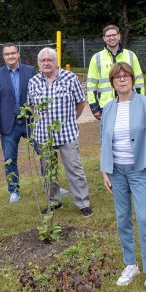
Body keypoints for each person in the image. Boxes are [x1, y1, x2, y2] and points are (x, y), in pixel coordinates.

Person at [99, 62, 146, 292]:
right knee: (122, 218)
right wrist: (104, 170)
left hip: (140, 170)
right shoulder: (108, 108)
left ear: (132, 79)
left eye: (126, 75)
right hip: (116, 171)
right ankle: (131, 264)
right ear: (112, 82)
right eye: (117, 77)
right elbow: (103, 141)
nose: (122, 80)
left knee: (144, 218)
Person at [27, 47, 93, 216]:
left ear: (56, 62)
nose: (47, 63)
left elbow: (80, 102)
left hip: (67, 133)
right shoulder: (33, 81)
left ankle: (83, 203)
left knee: (74, 169)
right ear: (39, 63)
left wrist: (70, 119)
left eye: (50, 60)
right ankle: (54, 201)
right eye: (43, 61)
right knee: (49, 170)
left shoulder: (69, 78)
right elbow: (32, 106)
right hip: (44, 136)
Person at [0, 42, 35, 203]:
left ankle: (50, 184)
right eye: (7, 54)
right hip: (8, 124)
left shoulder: (30, 71)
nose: (10, 56)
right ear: (4, 56)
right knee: (9, 158)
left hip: (30, 121)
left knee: (44, 151)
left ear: (18, 54)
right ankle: (14, 190)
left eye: (13, 53)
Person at [86, 25, 145, 119]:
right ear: (104, 38)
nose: (112, 38)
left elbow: (139, 81)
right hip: (106, 106)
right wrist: (94, 106)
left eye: (114, 34)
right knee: (108, 133)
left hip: (130, 103)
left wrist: (141, 101)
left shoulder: (131, 55)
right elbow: (91, 85)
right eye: (108, 36)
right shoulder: (96, 58)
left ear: (119, 36)